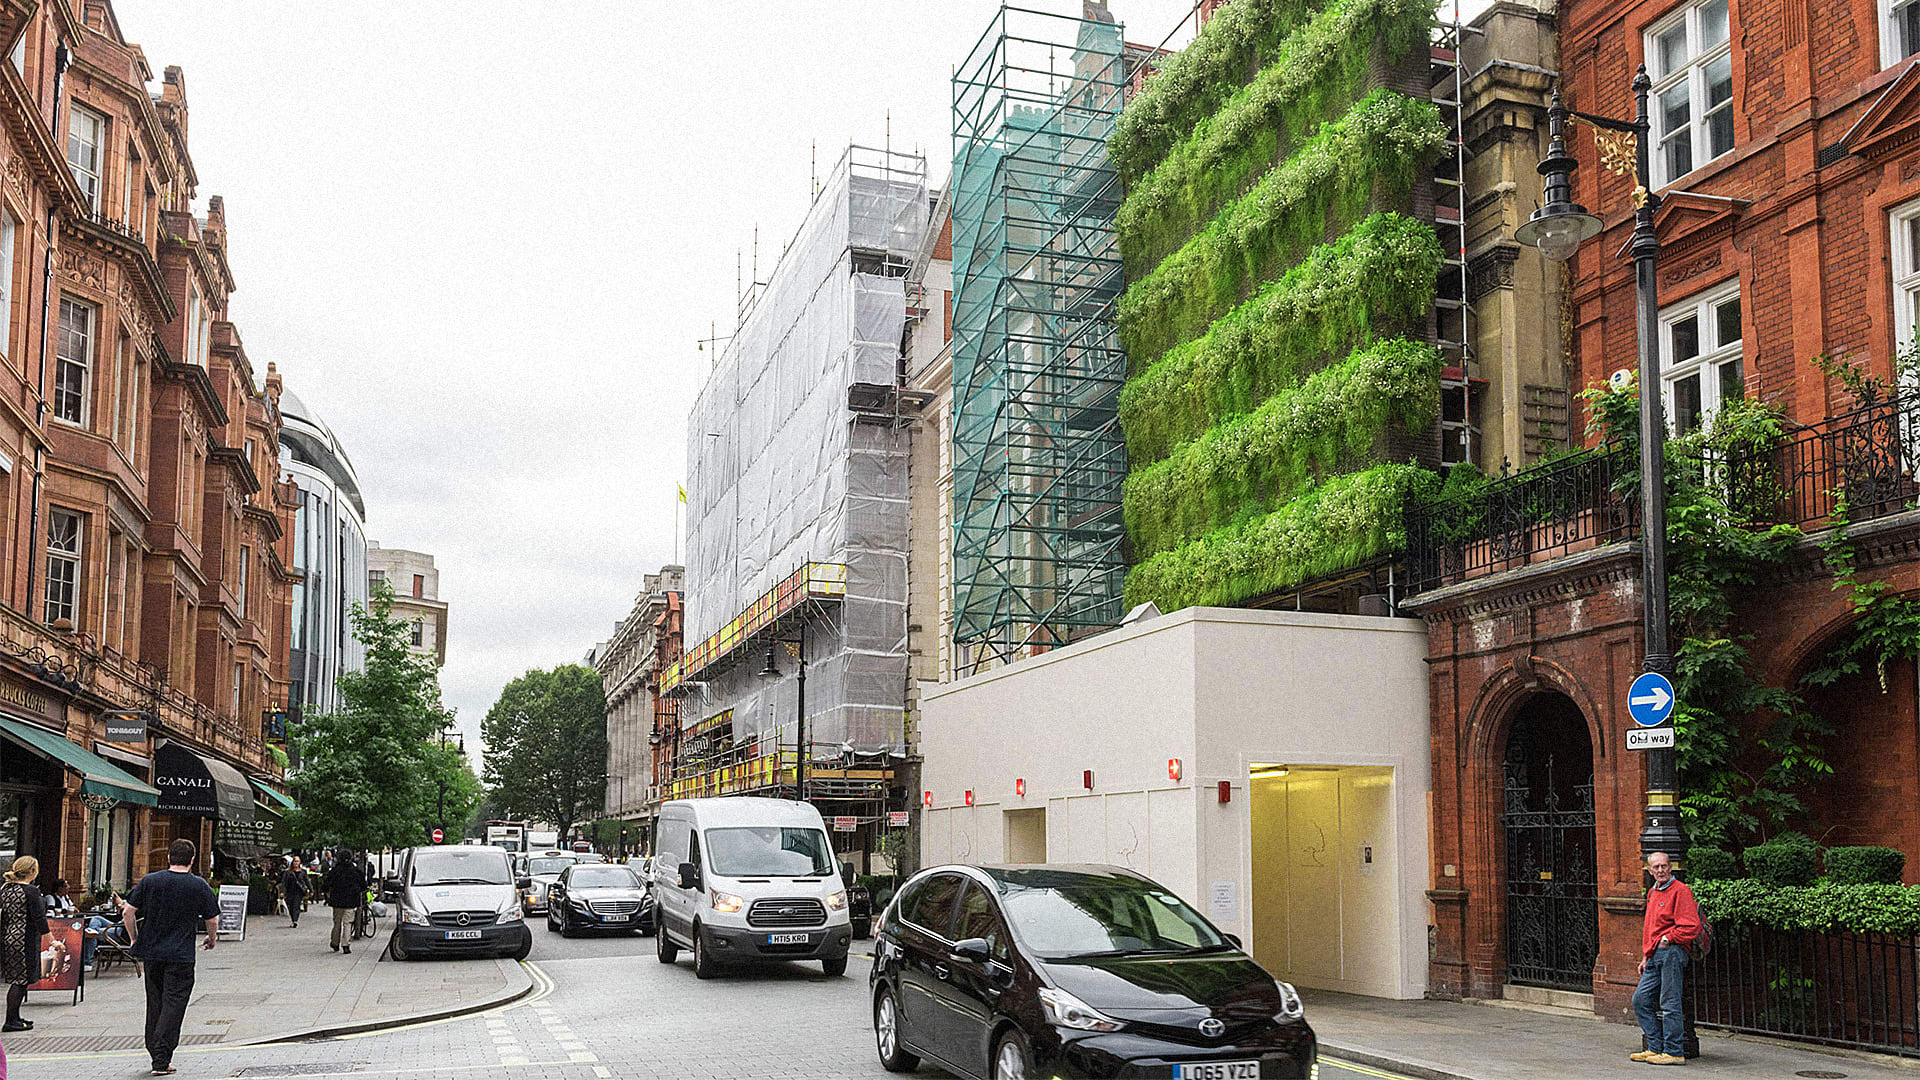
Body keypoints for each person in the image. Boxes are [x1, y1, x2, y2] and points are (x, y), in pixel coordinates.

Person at [123, 838, 220, 1077]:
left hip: (153, 954)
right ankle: (161, 1056)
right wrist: (211, 938)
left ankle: (155, 1051)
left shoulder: (150, 881)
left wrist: (134, 938)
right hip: (181, 955)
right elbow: (212, 919)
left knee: (154, 1002)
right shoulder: (199, 885)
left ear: (168, 858)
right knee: (174, 1005)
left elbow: (128, 911)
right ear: (192, 860)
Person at [1632, 850, 1701, 1066]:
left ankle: (1674, 1051)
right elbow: (1650, 927)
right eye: (1656, 867)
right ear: (1650, 871)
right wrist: (1646, 955)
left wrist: (1667, 938)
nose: (1660, 870)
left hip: (1671, 952)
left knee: (1669, 1002)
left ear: (1670, 868)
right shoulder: (1653, 893)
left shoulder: (1681, 891)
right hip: (1655, 954)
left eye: (1664, 866)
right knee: (1641, 1000)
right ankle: (1655, 1047)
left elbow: (1692, 926)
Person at [0, 856, 48, 1032]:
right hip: (25, 939)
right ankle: (10, 1021)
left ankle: (15, 1017)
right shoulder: (31, 891)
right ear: (33, 871)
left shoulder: (6, 889)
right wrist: (53, 941)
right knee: (20, 981)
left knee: (17, 979)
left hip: (8, 937)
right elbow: (39, 919)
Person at [324, 847, 365, 954]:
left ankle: (335, 942)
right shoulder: (355, 871)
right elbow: (363, 885)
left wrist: (328, 893)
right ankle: (346, 944)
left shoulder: (335, 871)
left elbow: (327, 884)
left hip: (337, 901)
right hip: (351, 901)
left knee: (337, 922)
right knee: (348, 923)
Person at [280, 857, 308, 928]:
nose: (296, 863)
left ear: (300, 863)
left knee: (296, 905)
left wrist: (311, 890)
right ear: (292, 862)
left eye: (297, 861)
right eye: (295, 861)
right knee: (290, 906)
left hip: (299, 891)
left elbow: (307, 881)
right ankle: (293, 919)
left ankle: (295, 920)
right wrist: (282, 891)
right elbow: (284, 882)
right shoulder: (287, 872)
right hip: (290, 891)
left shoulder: (303, 872)